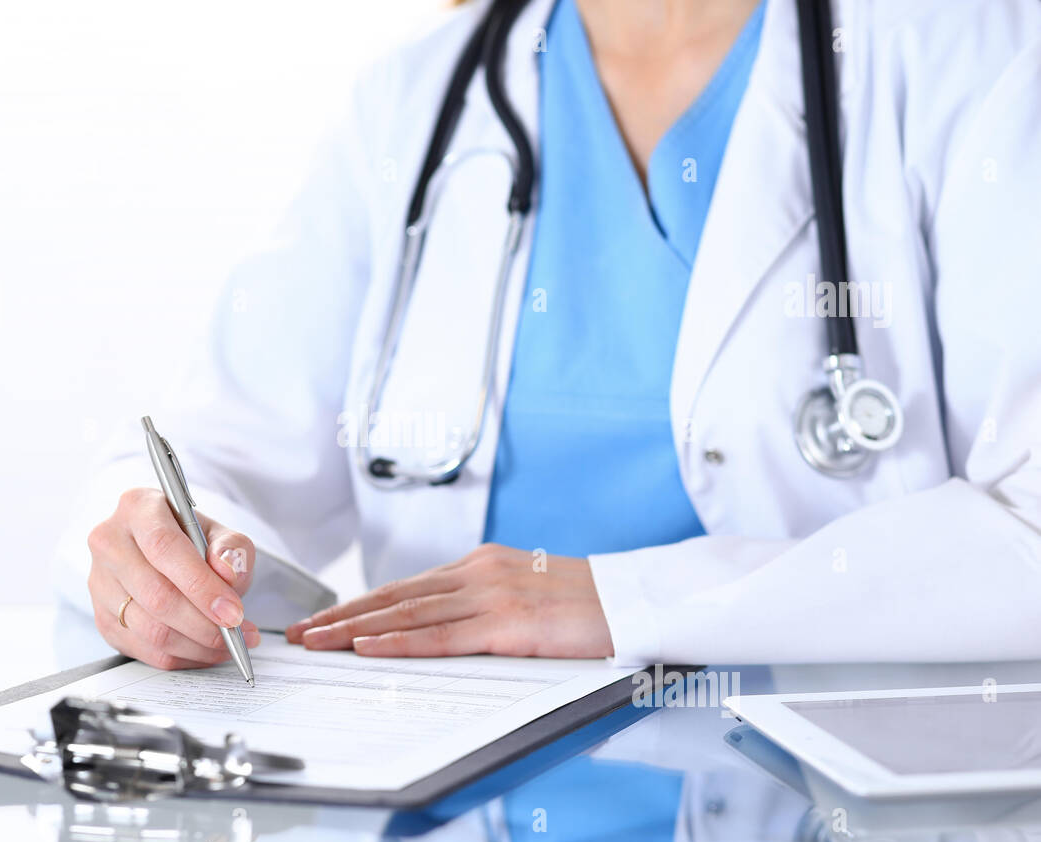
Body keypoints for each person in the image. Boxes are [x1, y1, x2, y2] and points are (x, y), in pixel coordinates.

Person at [55, 0, 1041, 670]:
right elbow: (220, 450)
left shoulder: (975, 55)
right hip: (449, 819)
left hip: (835, 831)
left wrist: (625, 600)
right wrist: (155, 547)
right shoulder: (413, 100)